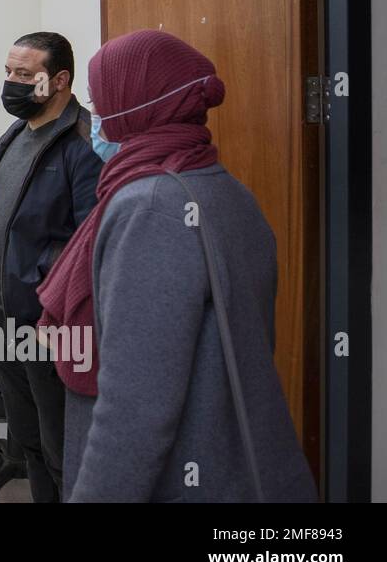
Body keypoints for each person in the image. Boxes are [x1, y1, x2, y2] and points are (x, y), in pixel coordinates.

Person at [38, 29, 316, 502]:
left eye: (100, 101)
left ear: (135, 103)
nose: (95, 118)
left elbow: (135, 408)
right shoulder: (224, 188)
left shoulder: (150, 206)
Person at [0, 32, 102, 502]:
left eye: (25, 75)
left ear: (60, 80)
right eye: (9, 72)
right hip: (3, 317)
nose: (12, 83)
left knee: (63, 445)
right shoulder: (17, 133)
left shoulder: (83, 143)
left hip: (48, 325)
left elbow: (89, 241)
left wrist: (45, 297)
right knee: (31, 443)